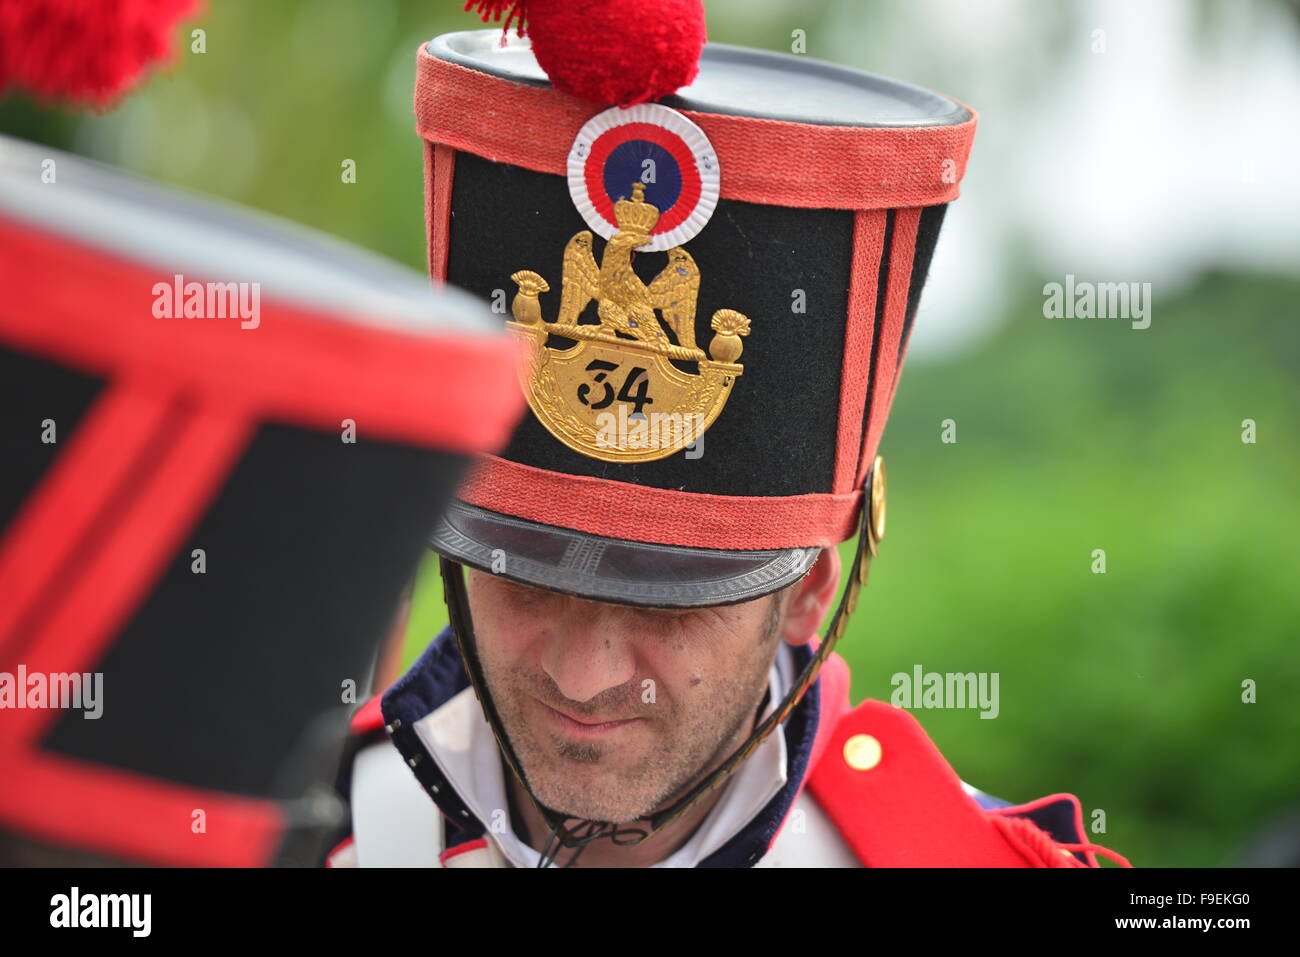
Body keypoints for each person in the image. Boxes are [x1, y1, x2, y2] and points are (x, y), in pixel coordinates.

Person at [327, 10, 1132, 868]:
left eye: (664, 601)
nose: (586, 674)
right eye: (524, 576)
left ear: (812, 590)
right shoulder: (302, 819)